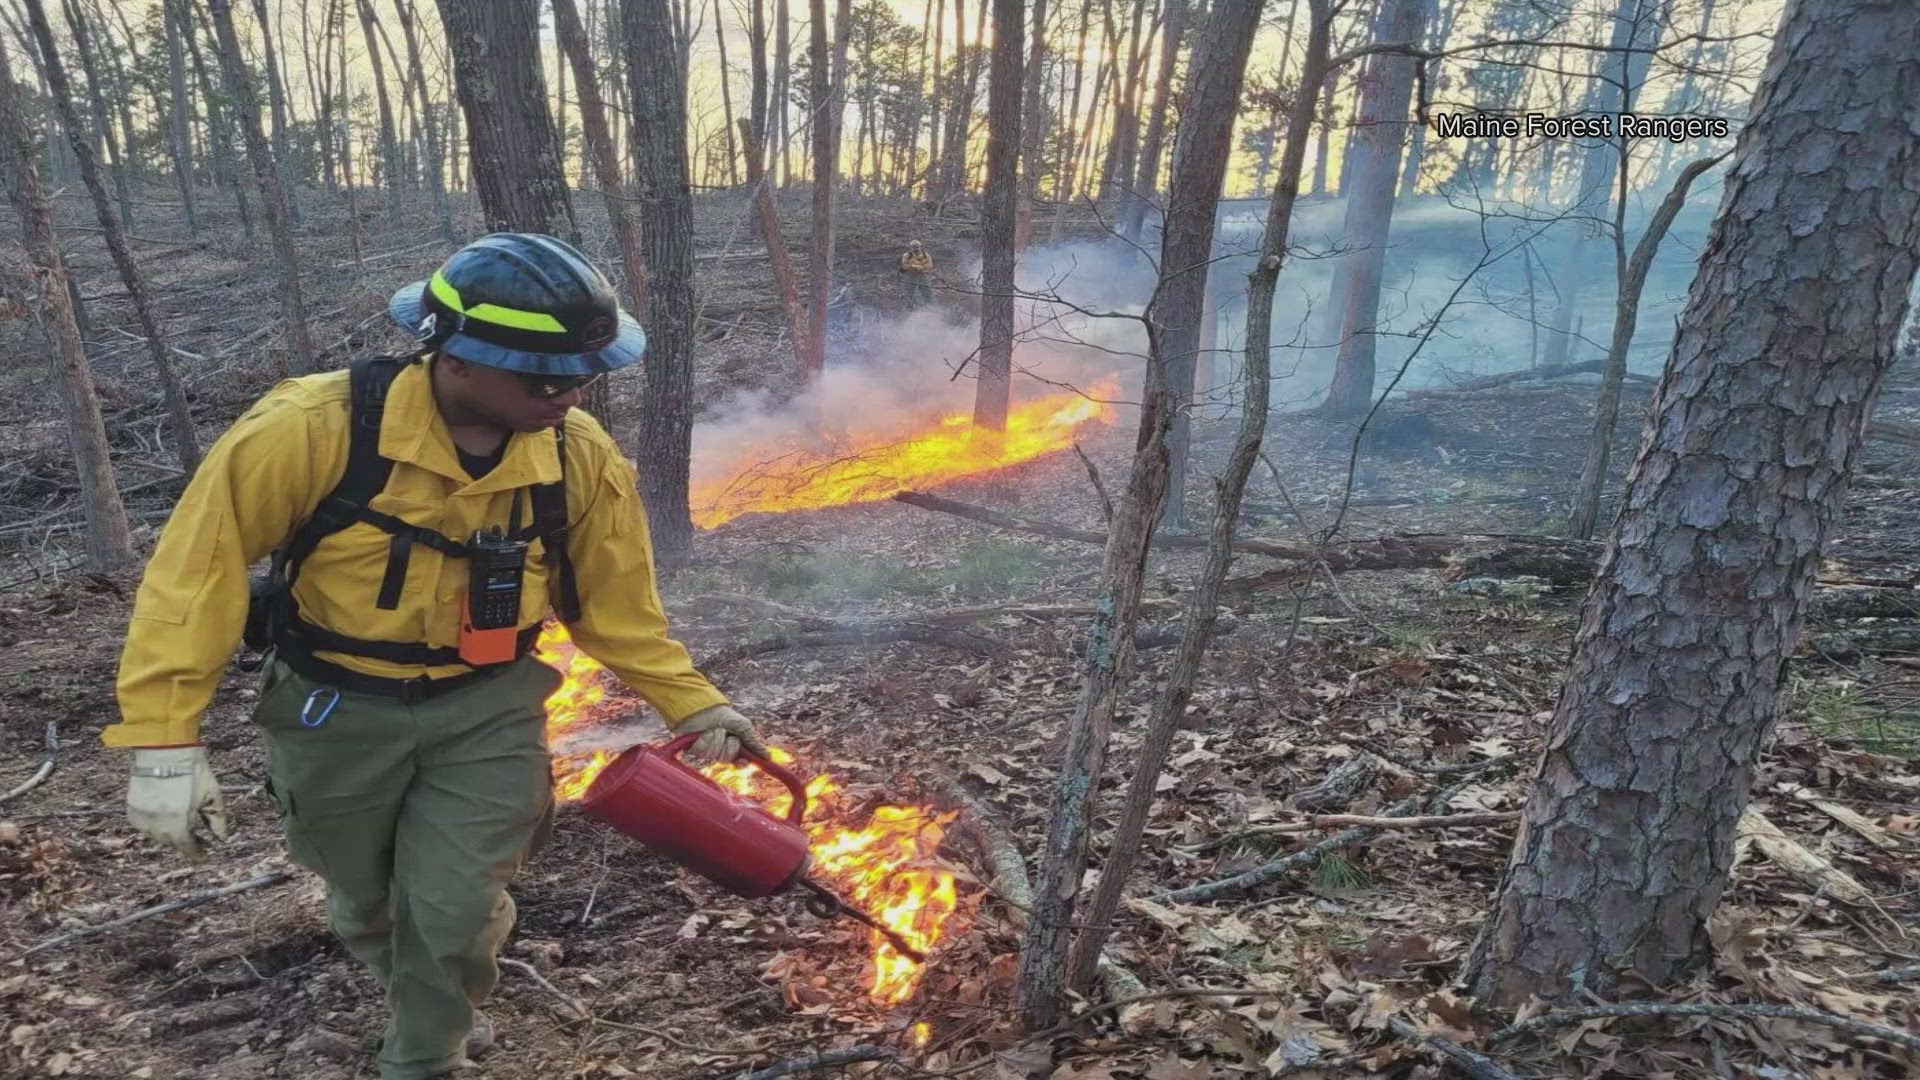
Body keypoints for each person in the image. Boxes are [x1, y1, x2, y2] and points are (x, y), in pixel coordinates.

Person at [107, 233, 764, 1080]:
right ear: (456, 359)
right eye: (545, 380)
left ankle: (425, 1052)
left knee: (453, 907)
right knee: (364, 901)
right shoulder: (309, 430)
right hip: (333, 710)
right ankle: (431, 995)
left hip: (486, 708)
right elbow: (195, 578)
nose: (570, 395)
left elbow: (614, 606)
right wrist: (163, 740)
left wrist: (693, 700)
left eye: (582, 376)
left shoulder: (577, 455)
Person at [898, 240, 935, 307]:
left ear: (921, 247)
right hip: (910, 277)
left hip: (922, 276)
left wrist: (922, 267)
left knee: (926, 291)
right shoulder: (907, 255)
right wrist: (913, 266)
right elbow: (904, 265)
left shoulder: (926, 255)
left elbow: (930, 265)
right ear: (911, 248)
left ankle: (929, 306)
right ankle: (908, 307)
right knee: (909, 292)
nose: (916, 249)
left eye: (918, 247)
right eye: (914, 247)